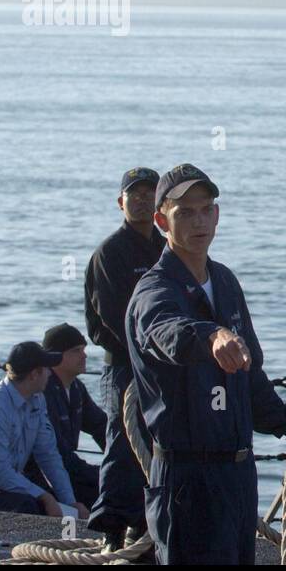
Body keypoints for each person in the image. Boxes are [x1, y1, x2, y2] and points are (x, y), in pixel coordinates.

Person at [127, 164, 286, 564]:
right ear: (160, 220)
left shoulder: (225, 282)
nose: (199, 221)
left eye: (206, 209)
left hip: (237, 475)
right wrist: (211, 336)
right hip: (187, 480)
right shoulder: (153, 290)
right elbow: (166, 331)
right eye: (184, 212)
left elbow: (249, 378)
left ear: (217, 214)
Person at [84, 166, 167, 550]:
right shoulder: (110, 253)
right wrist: (145, 353)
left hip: (162, 365)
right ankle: (111, 528)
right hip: (123, 367)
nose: (141, 199)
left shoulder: (166, 248)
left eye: (149, 193)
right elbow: (112, 317)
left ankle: (144, 524)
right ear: (121, 202)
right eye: (134, 194)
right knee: (122, 439)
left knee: (158, 440)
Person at [0, 341, 90, 520]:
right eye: (46, 369)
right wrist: (45, 497)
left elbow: (48, 456)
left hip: (3, 482)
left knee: (77, 499)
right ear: (34, 374)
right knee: (29, 506)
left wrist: (70, 502)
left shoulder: (37, 399)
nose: (50, 374)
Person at [24, 324, 107, 508]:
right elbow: (58, 454)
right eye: (76, 351)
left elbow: (101, 426)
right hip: (43, 477)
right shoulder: (44, 393)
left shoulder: (76, 388)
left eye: (84, 350)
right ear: (55, 357)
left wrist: (122, 460)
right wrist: (102, 474)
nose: (84, 355)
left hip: (68, 471)